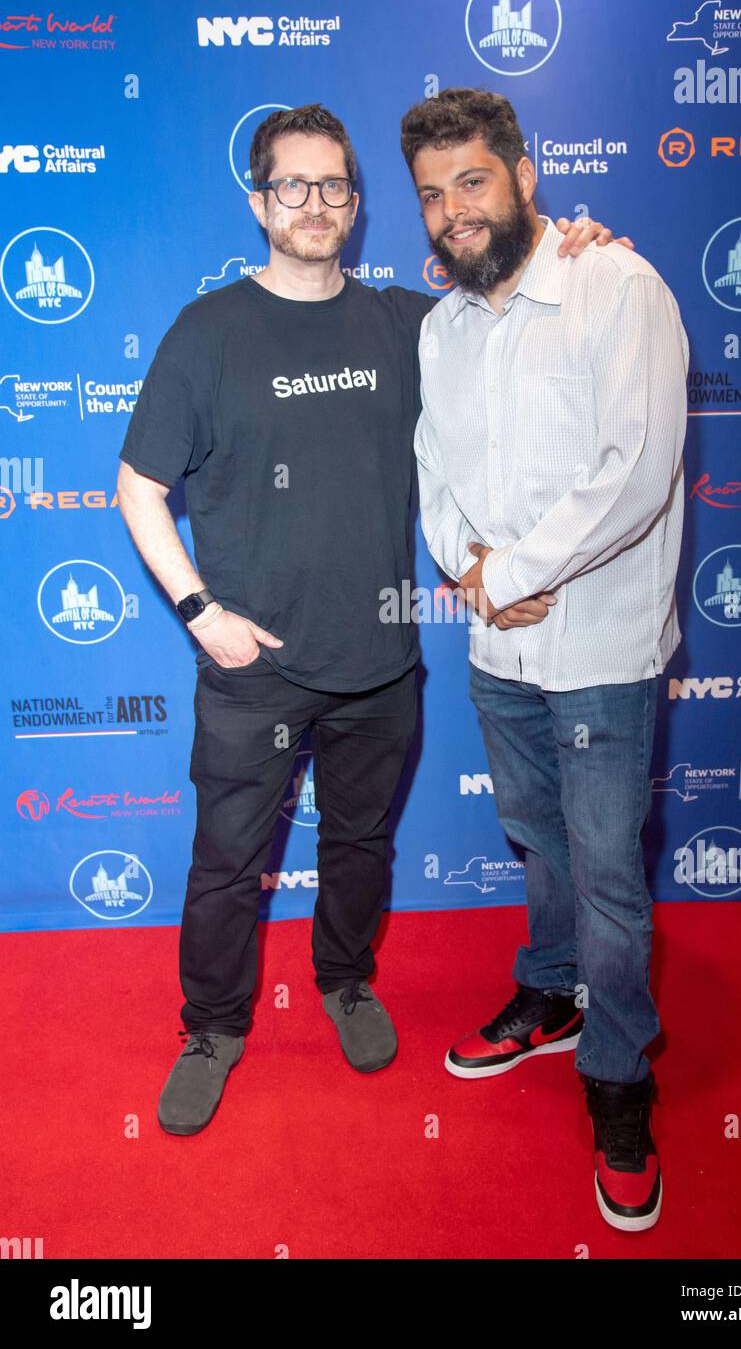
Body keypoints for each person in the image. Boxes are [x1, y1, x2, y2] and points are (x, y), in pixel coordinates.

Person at [115, 104, 624, 1136]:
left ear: (355, 202)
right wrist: (198, 606)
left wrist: (583, 248)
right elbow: (135, 482)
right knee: (226, 862)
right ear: (260, 200)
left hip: (381, 665)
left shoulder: (409, 324)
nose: (315, 204)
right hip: (253, 665)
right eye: (292, 186)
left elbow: (517, 305)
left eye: (334, 185)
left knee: (359, 845)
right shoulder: (206, 331)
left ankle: (344, 980)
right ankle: (211, 1026)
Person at [402, 87, 688, 1231]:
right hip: (496, 648)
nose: (451, 212)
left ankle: (619, 1078)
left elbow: (635, 467)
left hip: (600, 646)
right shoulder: (440, 327)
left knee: (609, 868)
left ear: (522, 174)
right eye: (431, 194)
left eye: (470, 182)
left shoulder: (618, 287)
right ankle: (552, 989)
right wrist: (472, 569)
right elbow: (432, 471)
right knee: (534, 834)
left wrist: (511, 573)